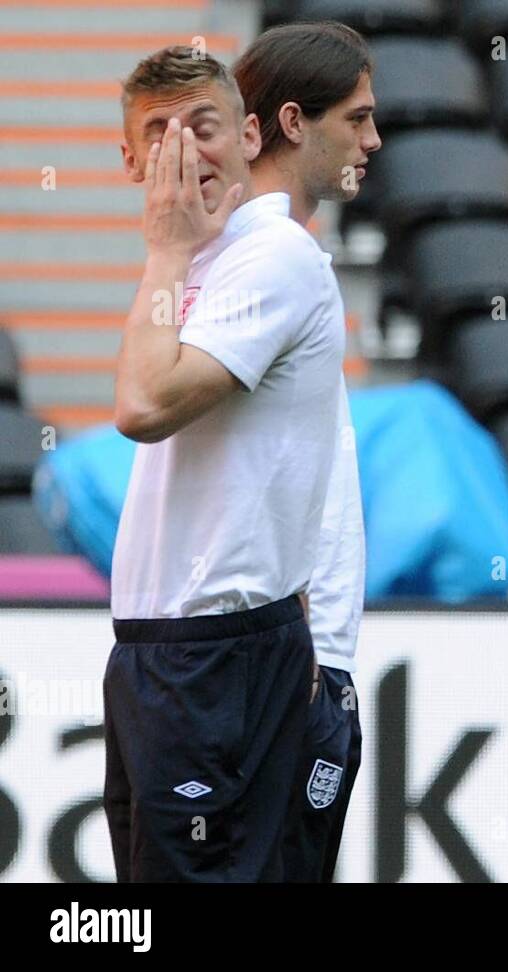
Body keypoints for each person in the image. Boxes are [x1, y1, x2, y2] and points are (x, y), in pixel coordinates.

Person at [105, 45, 345, 881]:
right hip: (158, 647)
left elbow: (141, 407)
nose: (185, 153)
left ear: (249, 134)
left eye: (203, 128)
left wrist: (165, 252)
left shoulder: (266, 256)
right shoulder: (205, 259)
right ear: (132, 161)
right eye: (160, 135)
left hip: (217, 651)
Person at [232, 20, 380, 884]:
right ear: (294, 120)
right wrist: (310, 659)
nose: (373, 139)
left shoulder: (282, 255)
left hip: (296, 659)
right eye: (357, 118)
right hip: (284, 663)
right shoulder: (270, 258)